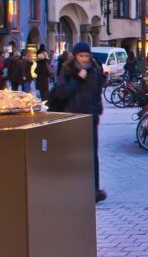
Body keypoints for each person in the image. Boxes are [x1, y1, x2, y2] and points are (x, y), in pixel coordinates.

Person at [50, 42, 107, 203]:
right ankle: (73, 186)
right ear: (75, 56)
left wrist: (97, 110)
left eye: (87, 56)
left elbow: (96, 94)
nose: (84, 59)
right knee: (74, 154)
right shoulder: (67, 71)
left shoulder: (94, 71)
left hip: (91, 118)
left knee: (92, 155)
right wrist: (77, 79)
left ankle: (94, 189)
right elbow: (61, 93)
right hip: (73, 118)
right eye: (81, 55)